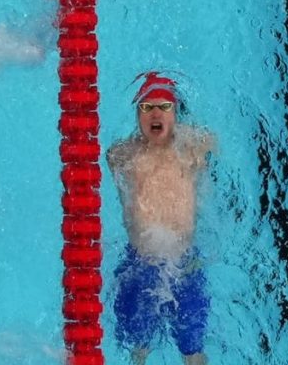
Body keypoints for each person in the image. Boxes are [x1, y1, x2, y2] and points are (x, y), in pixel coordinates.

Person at [106, 72, 216, 365]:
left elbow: (212, 141)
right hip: (139, 262)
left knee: (192, 349)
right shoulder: (123, 155)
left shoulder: (192, 149)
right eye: (146, 107)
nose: (155, 113)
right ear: (137, 115)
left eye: (164, 107)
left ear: (176, 113)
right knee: (138, 348)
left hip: (185, 264)